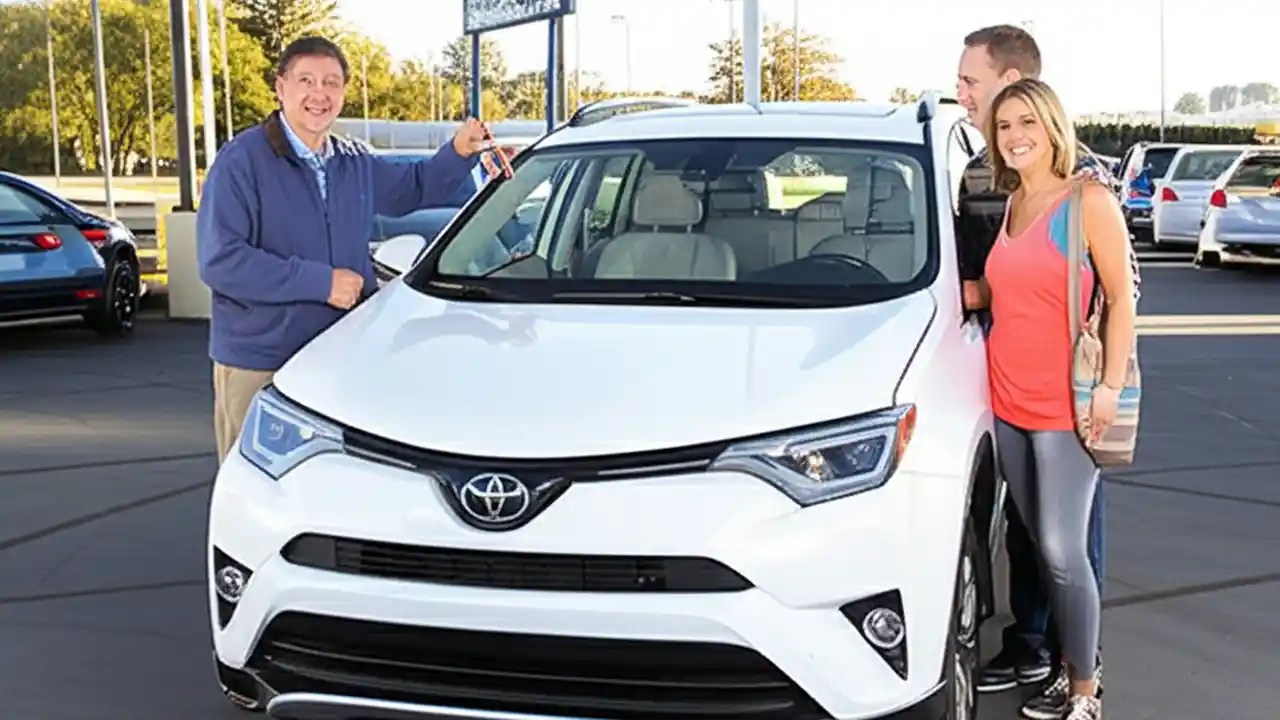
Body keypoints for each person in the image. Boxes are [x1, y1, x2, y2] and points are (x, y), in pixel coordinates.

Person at [197, 36, 494, 464]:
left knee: (330, 484)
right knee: (255, 484)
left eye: (331, 83)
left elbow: (414, 187)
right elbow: (220, 261)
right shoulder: (241, 162)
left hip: (338, 354)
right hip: (262, 362)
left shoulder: (352, 160)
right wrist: (321, 282)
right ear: (281, 88)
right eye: (306, 80)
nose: (320, 94)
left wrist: (460, 152)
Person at [954, 25, 1126, 720]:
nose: (1015, 134)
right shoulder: (1015, 203)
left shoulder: (1088, 199)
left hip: (1065, 405)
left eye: (1027, 122)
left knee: (1062, 551)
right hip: (1009, 405)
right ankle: (1057, 663)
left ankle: (1086, 687)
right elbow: (1013, 289)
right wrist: (962, 294)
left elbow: (1120, 300)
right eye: (1005, 126)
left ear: (1051, 125)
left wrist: (1108, 388)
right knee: (1033, 543)